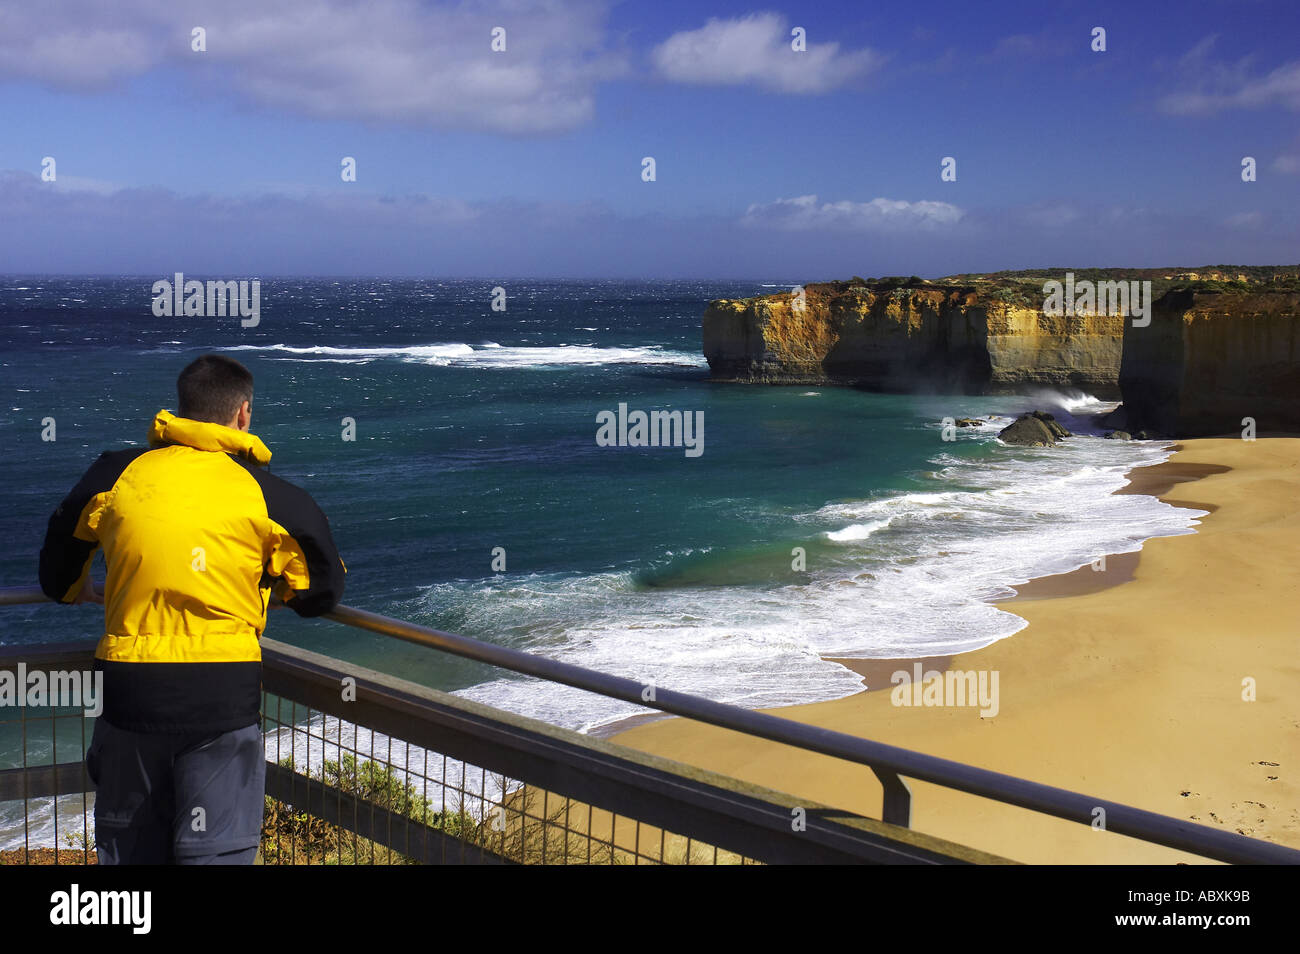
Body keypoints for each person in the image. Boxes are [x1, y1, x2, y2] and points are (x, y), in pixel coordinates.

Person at [38, 353, 346, 864]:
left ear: (182, 408)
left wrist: (80, 588)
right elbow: (322, 592)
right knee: (217, 850)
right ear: (243, 414)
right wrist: (269, 584)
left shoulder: (115, 472)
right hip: (221, 694)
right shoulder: (273, 496)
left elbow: (56, 570)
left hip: (131, 690)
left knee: (130, 851)